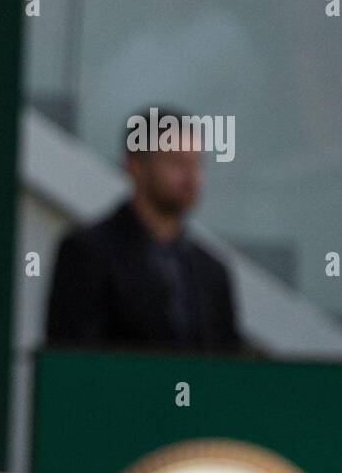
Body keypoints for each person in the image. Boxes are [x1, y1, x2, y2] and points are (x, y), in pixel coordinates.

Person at [46, 107, 243, 351]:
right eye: (175, 162)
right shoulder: (87, 254)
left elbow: (229, 365)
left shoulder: (211, 271)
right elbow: (71, 359)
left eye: (196, 163)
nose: (191, 176)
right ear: (136, 166)